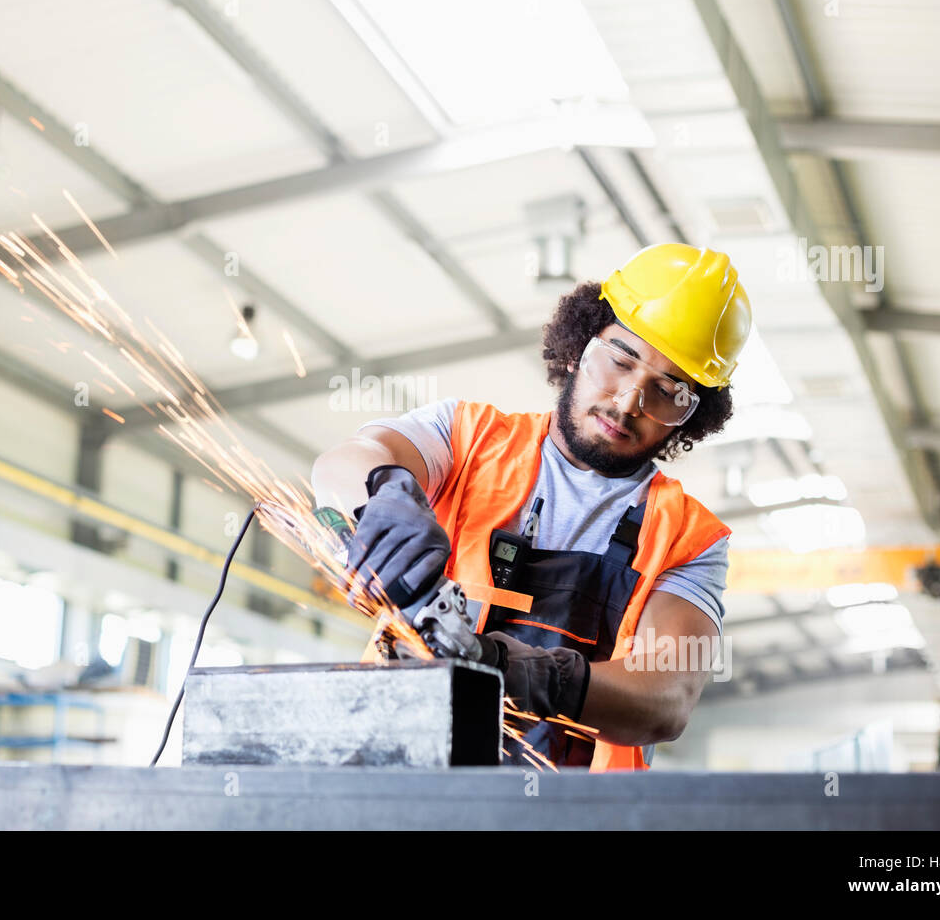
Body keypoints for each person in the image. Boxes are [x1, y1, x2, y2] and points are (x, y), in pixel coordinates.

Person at [311, 243, 752, 771]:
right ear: (578, 349)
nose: (628, 401)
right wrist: (384, 495)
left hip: (568, 807)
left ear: (691, 416)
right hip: (396, 783)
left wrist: (528, 673)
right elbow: (342, 465)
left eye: (667, 391)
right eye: (619, 361)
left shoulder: (689, 537)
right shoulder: (467, 437)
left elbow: (666, 698)